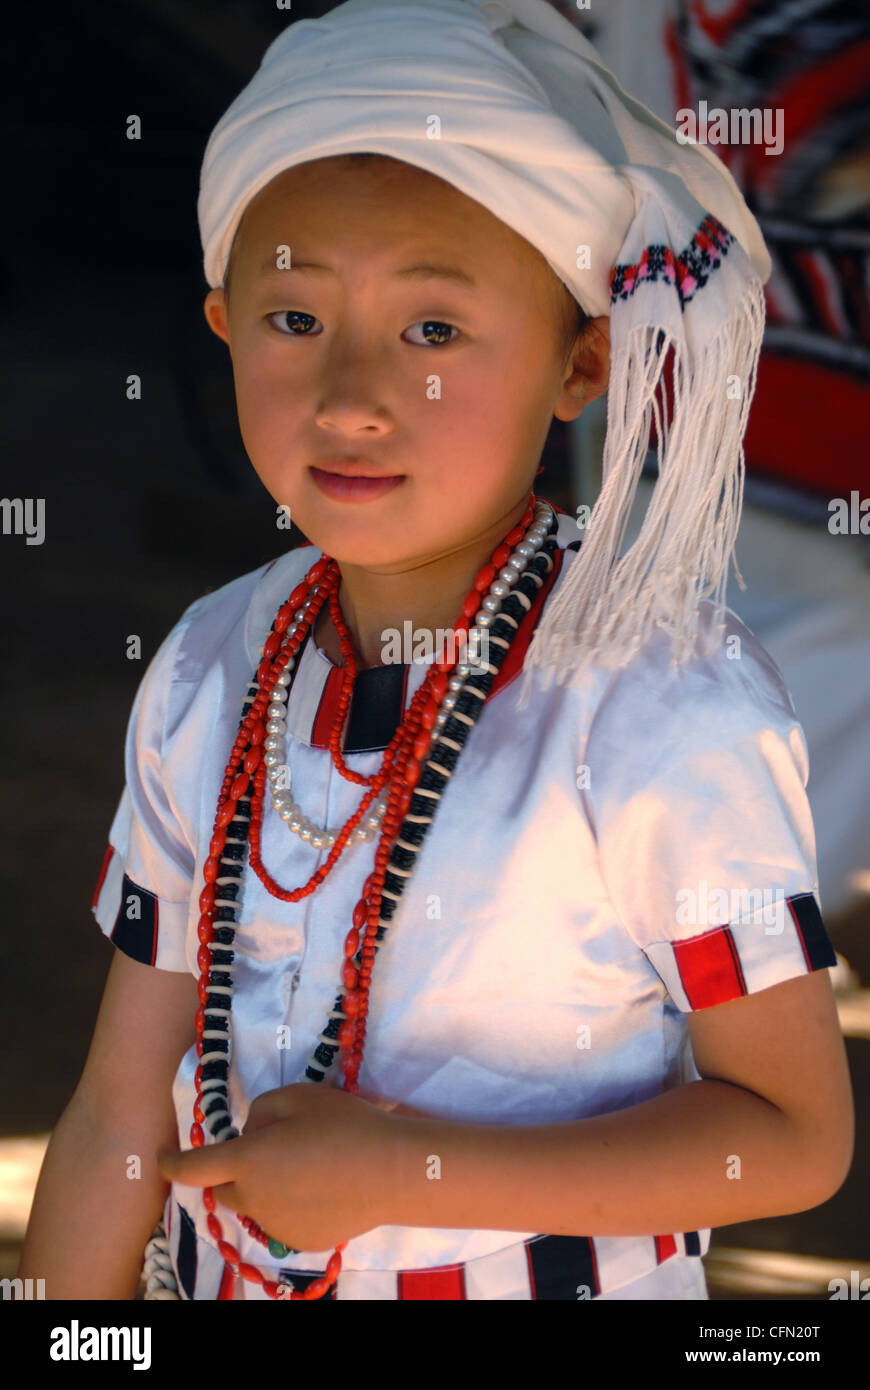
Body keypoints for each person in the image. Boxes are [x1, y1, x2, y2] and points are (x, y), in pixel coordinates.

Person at [18, 0, 853, 1301]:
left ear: (580, 365)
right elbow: (121, 1109)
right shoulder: (206, 667)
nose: (352, 395)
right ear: (224, 325)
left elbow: (791, 1138)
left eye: (433, 330)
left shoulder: (654, 697)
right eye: (295, 319)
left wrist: (405, 1175)